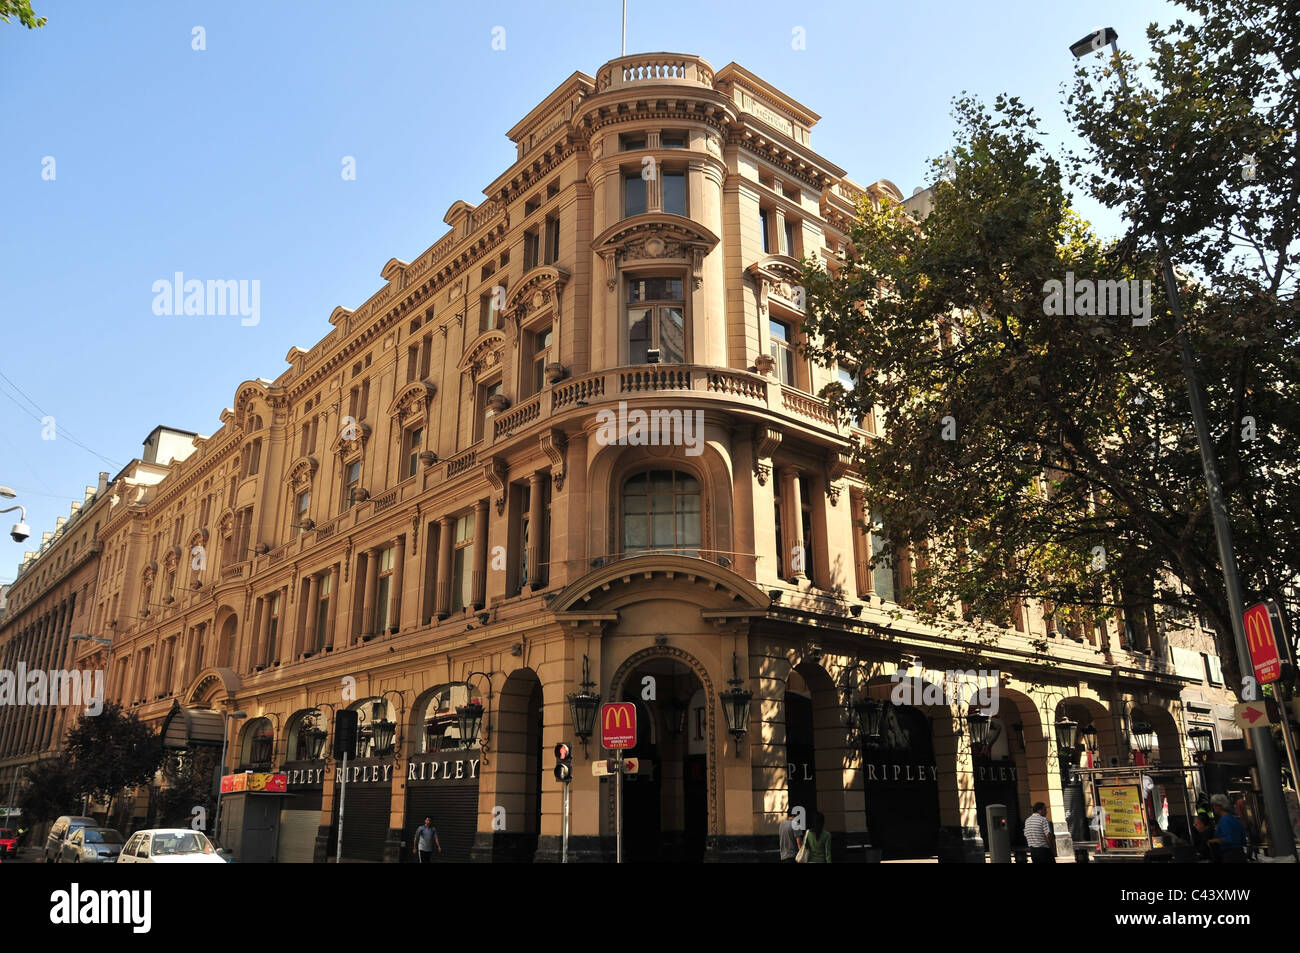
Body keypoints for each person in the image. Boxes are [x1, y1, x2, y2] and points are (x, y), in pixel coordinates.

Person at [1208, 794, 1247, 863]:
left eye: (1214, 806)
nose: (1213, 808)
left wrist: (1215, 840)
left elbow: (1229, 838)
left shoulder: (1224, 821)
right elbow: (1243, 838)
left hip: (1230, 856)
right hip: (1241, 854)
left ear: (1218, 806)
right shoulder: (1235, 819)